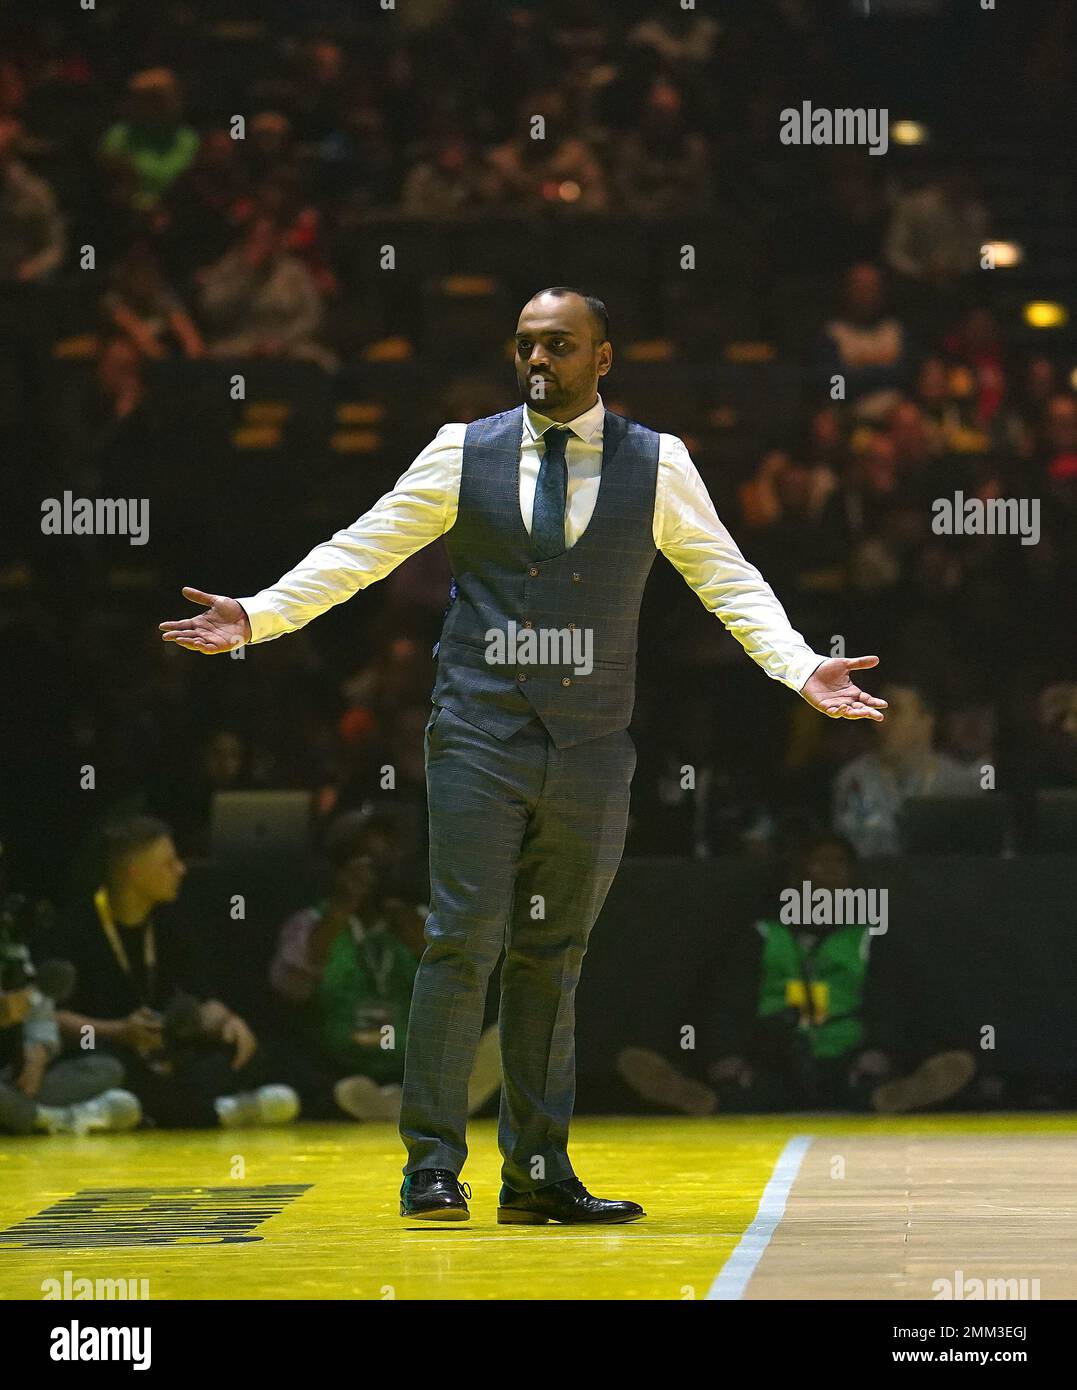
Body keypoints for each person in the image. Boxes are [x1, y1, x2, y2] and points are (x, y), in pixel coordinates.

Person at [160, 286, 887, 1224]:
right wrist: (258, 614)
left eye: (558, 346)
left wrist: (798, 670)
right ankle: (430, 1165)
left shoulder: (657, 462)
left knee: (554, 954)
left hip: (590, 748)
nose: (537, 362)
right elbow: (361, 550)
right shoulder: (463, 448)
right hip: (477, 733)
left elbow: (726, 578)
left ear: (602, 358)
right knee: (461, 942)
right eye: (524, 348)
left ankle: (537, 1175)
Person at [616, 834, 976, 1116]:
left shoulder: (868, 936)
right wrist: (724, 1054)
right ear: (797, 874)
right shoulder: (763, 933)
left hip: (844, 1053)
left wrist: (881, 1049)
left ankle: (896, 1093)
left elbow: (891, 1002)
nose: (830, 873)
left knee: (864, 1090)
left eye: (839, 864)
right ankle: (698, 1096)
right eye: (820, 863)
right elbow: (727, 999)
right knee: (748, 1091)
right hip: (773, 1051)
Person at [48, 815, 301, 1129]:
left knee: (254, 1051)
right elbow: (50, 1015)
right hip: (106, 1046)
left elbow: (202, 994)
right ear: (134, 872)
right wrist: (118, 1030)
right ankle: (219, 1111)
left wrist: (228, 1023)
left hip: (162, 1053)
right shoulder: (74, 926)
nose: (181, 870)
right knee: (110, 1069)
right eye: (169, 864)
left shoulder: (170, 922)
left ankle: (164, 1110)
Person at [269, 810, 502, 1122]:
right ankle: (406, 1108)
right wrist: (339, 912)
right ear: (339, 869)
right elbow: (290, 990)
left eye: (387, 864)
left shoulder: (422, 923)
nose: (377, 876)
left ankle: (428, 1101)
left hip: (414, 1067)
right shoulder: (310, 924)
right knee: (291, 1062)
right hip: (338, 1066)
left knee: (502, 1037)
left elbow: (467, 992)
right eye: (367, 863)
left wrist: (418, 939)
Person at [832, 683, 979, 857]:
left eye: (894, 712)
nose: (879, 722)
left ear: (926, 721)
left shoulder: (960, 783)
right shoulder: (854, 779)